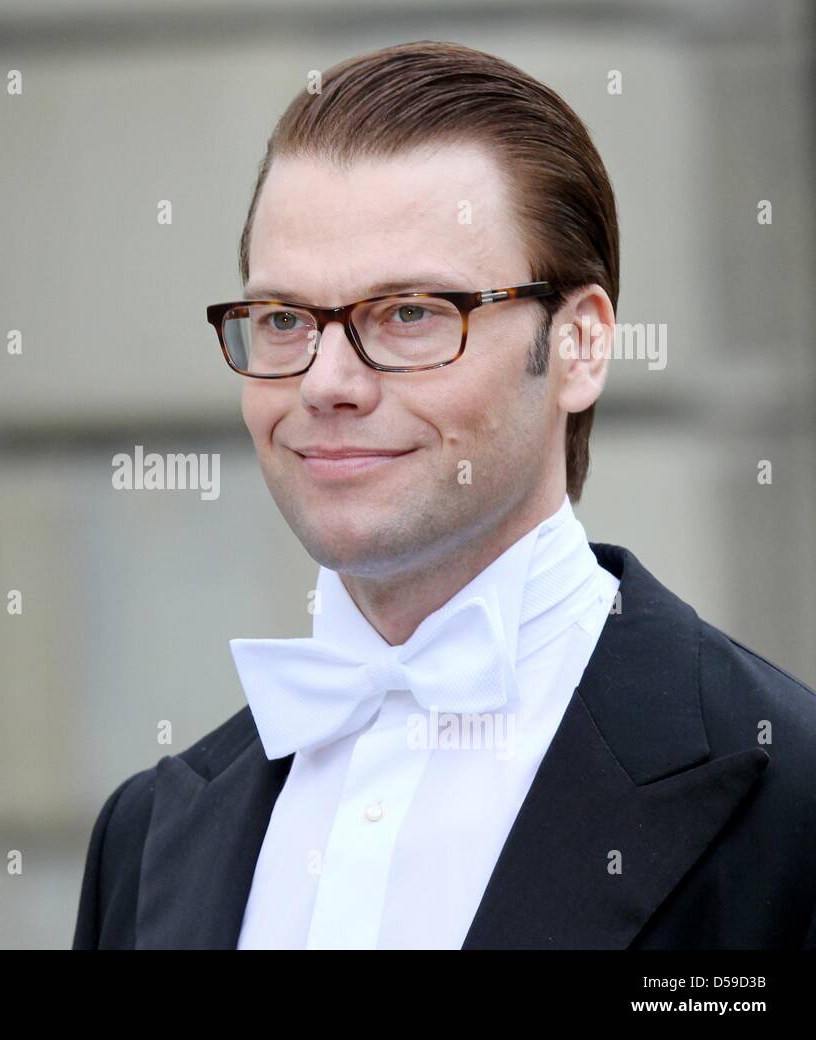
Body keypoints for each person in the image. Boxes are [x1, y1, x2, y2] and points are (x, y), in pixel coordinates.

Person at [72, 40, 816, 949]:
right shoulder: (146, 838)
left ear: (578, 346)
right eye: (282, 320)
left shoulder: (791, 793)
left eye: (412, 313)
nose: (325, 382)